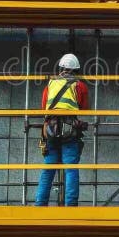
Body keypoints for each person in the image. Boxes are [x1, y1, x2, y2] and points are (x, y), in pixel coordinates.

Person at [35, 53, 90, 206]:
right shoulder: (79, 86)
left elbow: (43, 107)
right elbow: (84, 110)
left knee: (48, 169)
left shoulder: (50, 84)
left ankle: (40, 205)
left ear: (60, 68)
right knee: (70, 169)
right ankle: (71, 205)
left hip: (50, 131)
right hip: (69, 130)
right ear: (76, 71)